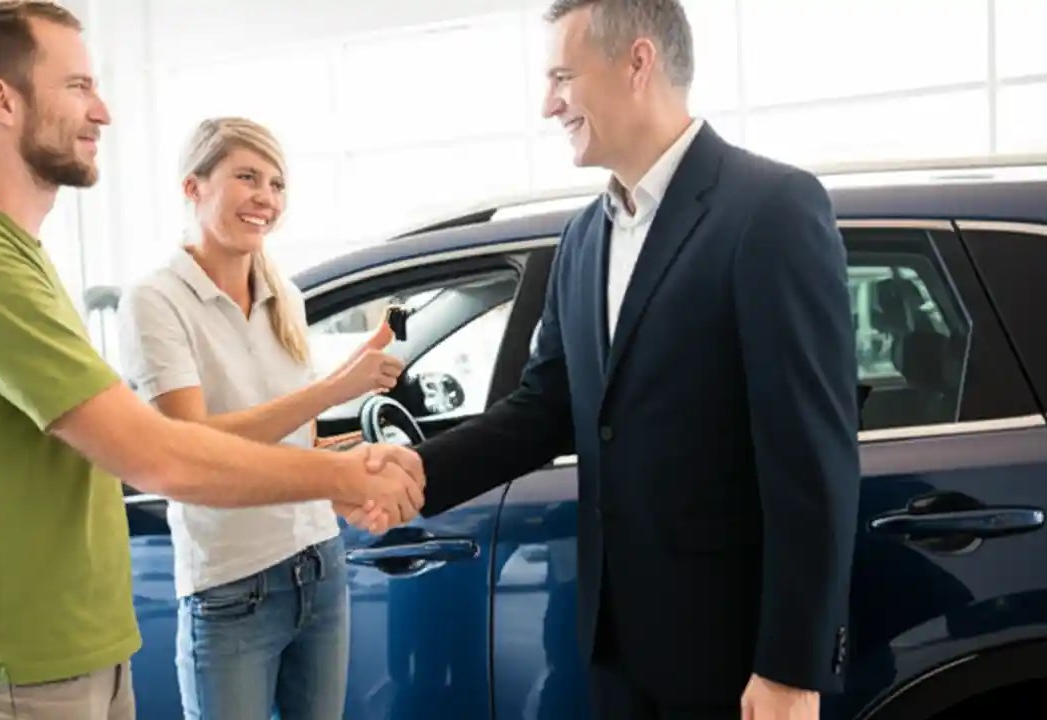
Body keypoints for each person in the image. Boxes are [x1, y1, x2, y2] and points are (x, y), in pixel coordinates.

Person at [0, 3, 420, 719]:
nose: (102, 111)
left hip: (77, 643)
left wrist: (337, 459)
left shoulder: (19, 251)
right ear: (2, 99)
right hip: (22, 659)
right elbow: (159, 453)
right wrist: (342, 474)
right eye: (78, 85)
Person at [367, 1, 860, 718]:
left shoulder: (770, 207)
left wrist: (790, 667)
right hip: (617, 644)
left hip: (732, 652)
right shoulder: (584, 238)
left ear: (637, 62)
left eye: (563, 76)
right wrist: (422, 468)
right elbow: (549, 405)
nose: (548, 104)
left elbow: (811, 456)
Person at [116, 117, 400, 719]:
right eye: (247, 177)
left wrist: (349, 480)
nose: (266, 198)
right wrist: (330, 390)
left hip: (318, 564)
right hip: (231, 588)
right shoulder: (155, 301)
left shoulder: (285, 296)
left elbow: (299, 443)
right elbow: (190, 446)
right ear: (193, 187)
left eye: (277, 183)